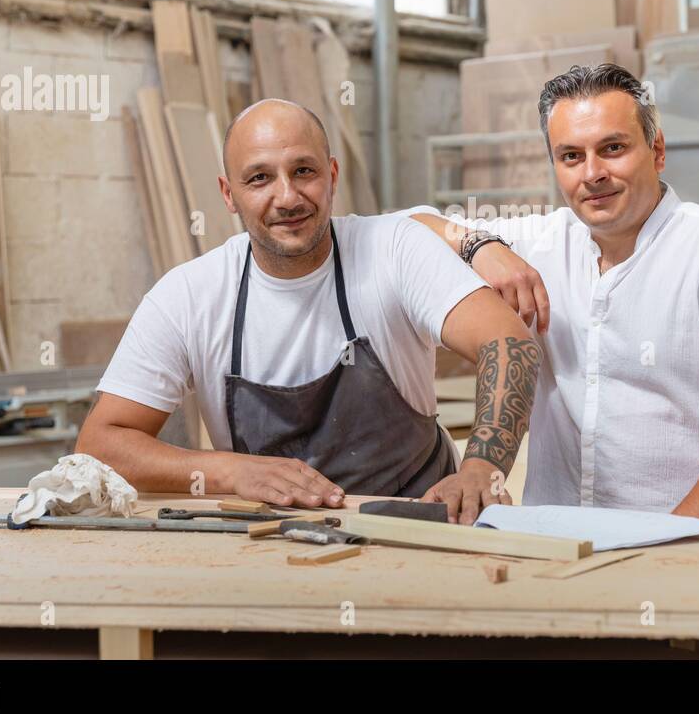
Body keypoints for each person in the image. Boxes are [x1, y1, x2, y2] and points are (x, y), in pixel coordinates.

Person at [77, 100, 540, 510]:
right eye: (260, 178)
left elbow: (508, 341)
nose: (287, 197)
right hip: (274, 541)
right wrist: (232, 472)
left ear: (332, 175)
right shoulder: (187, 296)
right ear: (228, 194)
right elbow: (101, 443)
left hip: (420, 524)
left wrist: (482, 467)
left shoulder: (394, 249)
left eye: (304, 171)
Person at [414, 64, 699, 525]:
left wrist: (668, 541)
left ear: (657, 150)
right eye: (571, 156)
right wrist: (481, 247)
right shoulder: (538, 244)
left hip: (693, 556)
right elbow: (400, 231)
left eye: (613, 148)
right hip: (560, 549)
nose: (593, 173)